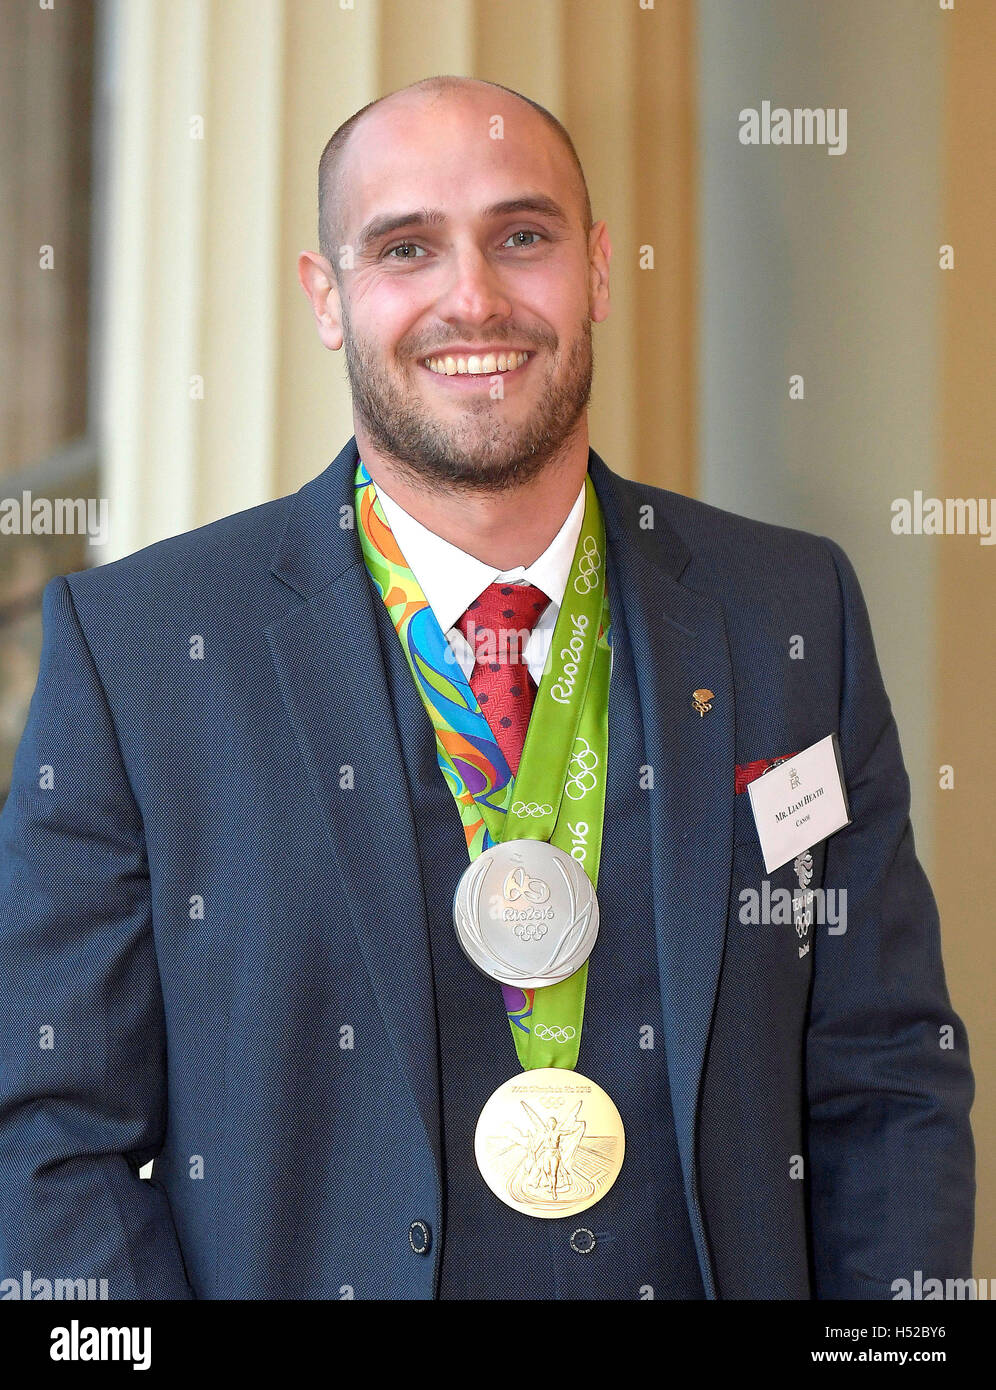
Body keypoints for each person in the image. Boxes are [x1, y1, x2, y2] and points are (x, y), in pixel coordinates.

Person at [0, 75, 974, 1301]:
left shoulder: (789, 616)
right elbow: (48, 1128)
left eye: (523, 236)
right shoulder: (139, 649)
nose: (474, 296)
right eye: (406, 247)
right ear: (328, 297)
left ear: (600, 272)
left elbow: (886, 1074)